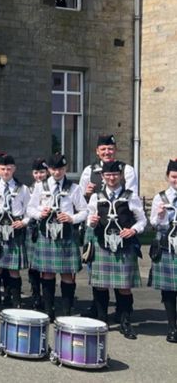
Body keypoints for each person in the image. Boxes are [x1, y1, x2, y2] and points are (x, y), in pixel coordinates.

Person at [79, 133, 139, 320]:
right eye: (103, 149)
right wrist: (87, 194)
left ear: (115, 150)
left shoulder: (127, 170)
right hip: (96, 223)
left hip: (121, 226)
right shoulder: (89, 171)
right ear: (97, 151)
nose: (107, 152)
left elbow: (131, 196)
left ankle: (123, 314)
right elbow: (79, 199)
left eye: (110, 149)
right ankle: (99, 310)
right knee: (98, 276)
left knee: (122, 278)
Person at [86, 160, 146, 340]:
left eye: (115, 175)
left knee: (124, 287)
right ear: (103, 177)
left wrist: (133, 230)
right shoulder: (97, 196)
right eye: (108, 175)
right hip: (102, 244)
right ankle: (102, 320)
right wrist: (92, 222)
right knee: (100, 285)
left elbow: (142, 220)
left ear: (120, 176)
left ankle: (125, 322)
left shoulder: (130, 196)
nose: (112, 178)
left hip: (124, 245)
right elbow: (89, 218)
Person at [27, 153, 85, 320]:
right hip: (46, 233)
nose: (57, 172)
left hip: (66, 234)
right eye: (53, 169)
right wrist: (40, 213)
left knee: (67, 273)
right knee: (47, 273)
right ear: (49, 169)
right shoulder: (40, 187)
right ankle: (48, 310)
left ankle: (66, 311)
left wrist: (72, 218)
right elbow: (30, 209)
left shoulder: (74, 188)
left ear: (65, 168)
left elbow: (85, 210)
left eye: (60, 169)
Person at [0, 154, 31, 312]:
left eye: (9, 169)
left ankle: (16, 301)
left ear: (14, 169)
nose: (5, 172)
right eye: (2, 169)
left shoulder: (23, 189)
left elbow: (29, 210)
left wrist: (23, 222)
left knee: (13, 269)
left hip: (14, 229)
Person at [149, 158, 177, 343]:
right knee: (168, 290)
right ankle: (172, 327)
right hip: (167, 246)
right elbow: (153, 222)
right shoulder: (161, 197)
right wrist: (160, 216)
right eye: (174, 176)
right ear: (168, 176)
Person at [26, 157, 48, 310]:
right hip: (32, 228)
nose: (39, 175)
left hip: (47, 228)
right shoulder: (29, 189)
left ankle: (47, 297)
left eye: (41, 172)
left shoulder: (50, 187)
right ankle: (36, 295)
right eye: (36, 172)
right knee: (33, 266)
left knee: (46, 266)